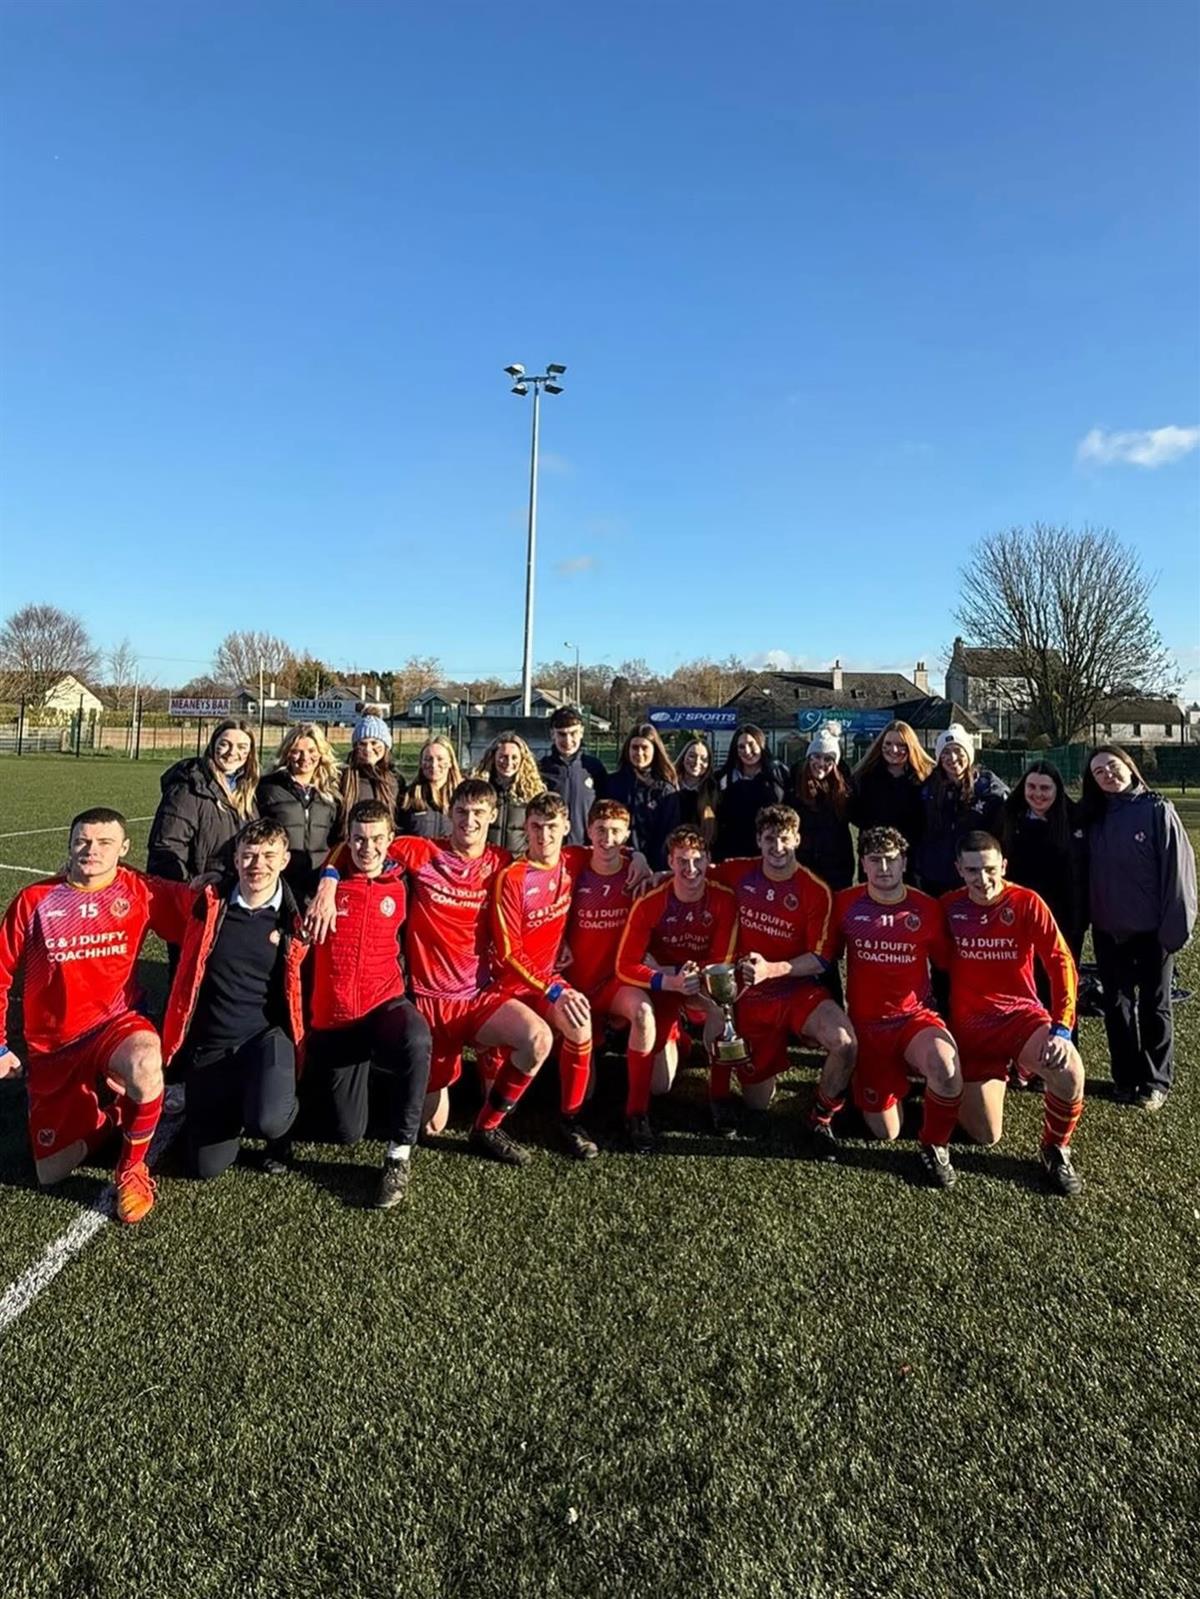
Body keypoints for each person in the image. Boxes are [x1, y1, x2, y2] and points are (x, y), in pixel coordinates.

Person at [308, 780, 557, 1168]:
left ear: (493, 816)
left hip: (478, 998)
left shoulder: (503, 862)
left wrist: (635, 860)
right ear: (449, 814)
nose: (469, 821)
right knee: (431, 1125)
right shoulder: (423, 852)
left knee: (538, 1039)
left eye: (478, 813)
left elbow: (553, 866)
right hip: (431, 1003)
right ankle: (386, 1080)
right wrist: (327, 880)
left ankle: (486, 1128)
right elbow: (361, 844)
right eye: (461, 812)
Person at [0, 808, 193, 1220]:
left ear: (123, 848)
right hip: (54, 1045)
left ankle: (132, 1170)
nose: (92, 850)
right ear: (70, 845)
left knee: (145, 1061)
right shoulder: (34, 900)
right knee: (51, 1173)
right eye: (83, 841)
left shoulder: (140, 890)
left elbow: (198, 911)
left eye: (105, 842)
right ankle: (117, 1108)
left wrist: (219, 885)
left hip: (115, 1025)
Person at [489, 792, 646, 1160]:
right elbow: (509, 953)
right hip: (511, 986)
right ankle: (491, 1113)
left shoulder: (572, 859)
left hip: (550, 982)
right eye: (536, 827)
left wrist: (639, 856)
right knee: (495, 1097)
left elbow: (613, 849)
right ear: (525, 828)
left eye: (551, 827)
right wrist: (552, 988)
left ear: (566, 828)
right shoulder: (512, 877)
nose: (544, 836)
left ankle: (569, 1120)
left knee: (579, 1022)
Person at [301, 801, 432, 1208]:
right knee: (346, 1132)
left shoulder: (404, 882)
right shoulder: (324, 882)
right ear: (348, 839)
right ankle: (371, 1085)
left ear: (391, 839)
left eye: (377, 839)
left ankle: (399, 1155)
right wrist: (328, 880)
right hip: (334, 1023)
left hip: (382, 1006)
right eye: (358, 838)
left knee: (415, 1038)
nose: (367, 848)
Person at [161, 819, 307, 1181]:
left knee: (269, 1120)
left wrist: (331, 881)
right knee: (204, 1167)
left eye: (269, 855)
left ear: (285, 860)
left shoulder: (299, 916)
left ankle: (281, 1125)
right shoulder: (208, 904)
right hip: (212, 1046)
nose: (258, 865)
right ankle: (235, 1100)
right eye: (249, 855)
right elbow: (150, 892)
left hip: (264, 1039)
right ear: (236, 859)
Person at [942, 831, 1085, 1196]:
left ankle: (1056, 1148)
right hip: (971, 1028)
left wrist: (1062, 1027)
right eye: (972, 870)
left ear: (1003, 866)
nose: (983, 879)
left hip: (1020, 1017)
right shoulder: (947, 907)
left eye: (990, 869)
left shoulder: (1026, 902)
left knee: (1069, 1070)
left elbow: (1060, 962)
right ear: (959, 869)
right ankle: (999, 1074)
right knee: (985, 1135)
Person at [710, 805, 856, 1151]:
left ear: (798, 840)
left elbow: (820, 959)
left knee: (844, 1042)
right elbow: (693, 872)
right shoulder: (738, 872)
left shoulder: (815, 889)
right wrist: (648, 870)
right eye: (770, 839)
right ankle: (733, 1086)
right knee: (757, 1103)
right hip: (750, 995)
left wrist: (771, 969)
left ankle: (821, 1116)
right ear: (758, 841)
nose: (777, 848)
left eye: (785, 839)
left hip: (796, 989)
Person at [831, 827, 963, 1188]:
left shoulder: (926, 907)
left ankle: (935, 1146)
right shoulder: (844, 904)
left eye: (891, 859)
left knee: (946, 1064)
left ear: (904, 862)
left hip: (914, 1019)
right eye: (875, 860)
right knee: (887, 1132)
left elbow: (949, 963)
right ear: (863, 863)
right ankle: (863, 1079)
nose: (884, 868)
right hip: (868, 1027)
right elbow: (825, 956)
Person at [1081, 746, 1197, 1109]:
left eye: (1112, 766)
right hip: (1107, 931)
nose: (1107, 775)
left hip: (1151, 933)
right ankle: (1125, 1077)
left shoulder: (1157, 810)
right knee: (1116, 1006)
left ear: (1129, 767)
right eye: (1098, 772)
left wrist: (1174, 928)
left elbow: (1179, 873)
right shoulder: (1093, 816)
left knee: (1154, 1006)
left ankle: (1155, 1081)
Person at [615, 825, 737, 1119]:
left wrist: (678, 973)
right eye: (682, 861)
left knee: (723, 1007)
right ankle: (678, 1038)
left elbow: (722, 961)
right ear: (670, 861)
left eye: (697, 860)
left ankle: (720, 1097)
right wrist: (668, 979)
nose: (690, 869)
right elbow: (624, 965)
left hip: (700, 982)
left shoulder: (724, 899)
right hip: (664, 986)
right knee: (660, 1086)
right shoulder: (651, 901)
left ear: (708, 860)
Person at [560, 799, 658, 1152]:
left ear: (627, 835)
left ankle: (637, 1113)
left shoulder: (635, 872)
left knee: (644, 1012)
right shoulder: (573, 863)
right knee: (586, 1092)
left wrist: (641, 858)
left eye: (616, 831)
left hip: (614, 984)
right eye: (600, 830)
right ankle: (571, 1117)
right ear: (588, 831)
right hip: (575, 986)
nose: (607, 838)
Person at [1000, 762, 1088, 1044]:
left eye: (1045, 788)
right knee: (1025, 984)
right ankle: (1027, 1050)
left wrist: (1078, 919)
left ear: (1057, 790)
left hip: (1063, 920)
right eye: (1032, 787)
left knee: (1061, 983)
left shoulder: (1074, 820)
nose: (1038, 794)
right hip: (1019, 917)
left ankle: (1064, 1046)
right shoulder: (1009, 817)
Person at [148, 719, 259, 883]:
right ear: (213, 746)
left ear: (250, 753)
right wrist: (190, 888)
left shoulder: (248, 791)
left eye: (242, 747)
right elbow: (167, 847)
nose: (232, 752)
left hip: (237, 889)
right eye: (225, 744)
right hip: (201, 891)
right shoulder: (188, 788)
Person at [911, 725, 1008, 899]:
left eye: (958, 750)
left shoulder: (989, 790)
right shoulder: (927, 789)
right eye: (946, 752)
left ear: (969, 754)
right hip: (934, 878)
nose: (952, 758)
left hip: (976, 879)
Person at [256, 722, 340, 904]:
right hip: (279, 882)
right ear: (287, 752)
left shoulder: (331, 792)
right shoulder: (268, 788)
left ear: (321, 753)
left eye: (311, 751)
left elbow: (336, 839)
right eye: (297, 751)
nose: (305, 757)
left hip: (318, 884)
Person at [603, 722, 681, 870]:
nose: (639, 753)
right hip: (617, 864)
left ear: (654, 750)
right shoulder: (612, 784)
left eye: (644, 748)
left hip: (653, 868)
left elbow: (669, 835)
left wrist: (657, 869)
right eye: (635, 747)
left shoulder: (665, 791)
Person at [849, 720, 932, 857]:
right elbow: (854, 814)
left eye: (901, 745)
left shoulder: (924, 780)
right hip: (875, 854)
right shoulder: (865, 779)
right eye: (888, 744)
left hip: (912, 856)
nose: (894, 750)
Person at [790, 725, 855, 893]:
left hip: (837, 867)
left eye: (828, 759)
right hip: (802, 864)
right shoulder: (794, 785)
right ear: (808, 757)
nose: (821, 763)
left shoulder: (844, 790)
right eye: (817, 756)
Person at [713, 723, 787, 862]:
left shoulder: (778, 774)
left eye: (751, 744)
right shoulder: (724, 777)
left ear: (761, 744)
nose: (747, 751)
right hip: (733, 851)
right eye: (741, 747)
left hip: (770, 850)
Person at [538, 705, 608, 845]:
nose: (568, 740)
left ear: (581, 732)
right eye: (562, 734)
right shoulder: (541, 769)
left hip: (587, 848)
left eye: (573, 733)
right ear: (552, 734)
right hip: (552, 848)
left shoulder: (594, 768)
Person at [473, 731, 545, 855]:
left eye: (514, 757)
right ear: (493, 757)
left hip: (518, 861)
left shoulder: (533, 794)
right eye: (503, 756)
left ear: (522, 760)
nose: (508, 762)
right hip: (485, 859)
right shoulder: (480, 790)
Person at [335, 713, 406, 838]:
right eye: (362, 744)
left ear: (385, 746)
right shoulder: (343, 779)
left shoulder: (395, 781)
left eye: (374, 743)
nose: (368, 749)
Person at [398, 735, 463, 840]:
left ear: (450, 762)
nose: (433, 764)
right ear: (421, 763)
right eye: (428, 759)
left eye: (440, 759)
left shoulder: (463, 797)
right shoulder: (407, 798)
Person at [675, 737, 719, 850]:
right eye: (692, 756)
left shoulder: (713, 791)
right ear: (683, 757)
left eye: (703, 759)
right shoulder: (669, 787)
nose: (697, 762)